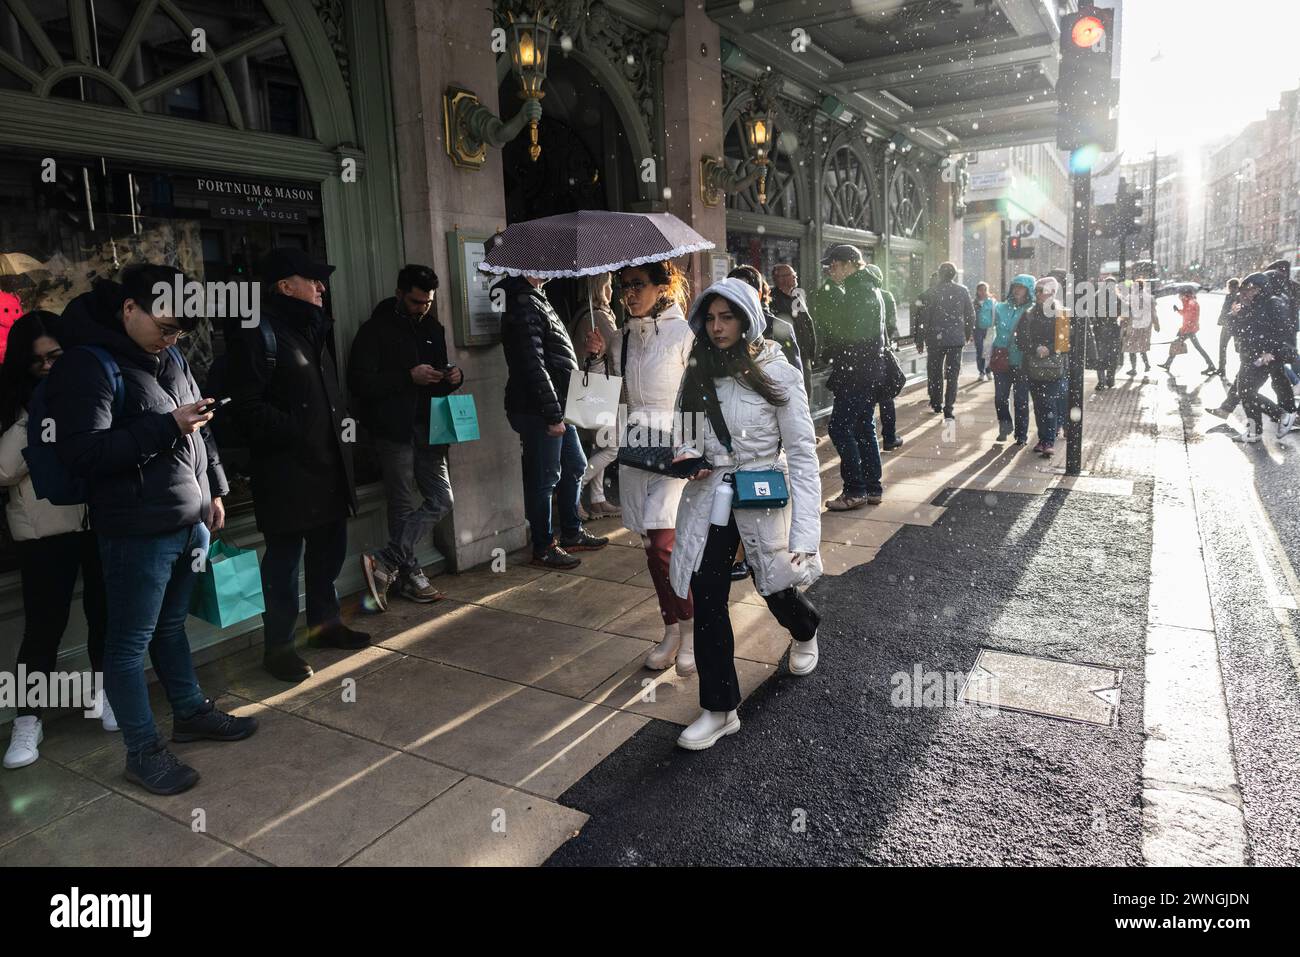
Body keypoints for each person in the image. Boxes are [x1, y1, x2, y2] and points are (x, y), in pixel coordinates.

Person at [44, 264, 255, 795]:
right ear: (129, 309)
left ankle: (188, 713)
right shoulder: (88, 366)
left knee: (169, 627)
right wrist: (166, 426)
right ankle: (143, 752)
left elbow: (200, 428)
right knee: (128, 643)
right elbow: (83, 453)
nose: (173, 336)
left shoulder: (173, 355)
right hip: (135, 529)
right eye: (166, 325)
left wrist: (217, 488)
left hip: (190, 520)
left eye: (181, 329)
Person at [668, 278, 822, 751]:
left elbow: (801, 455)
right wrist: (687, 456)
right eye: (710, 318)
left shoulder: (779, 372)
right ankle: (719, 708)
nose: (717, 328)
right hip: (708, 499)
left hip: (760, 493)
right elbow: (682, 431)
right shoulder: (697, 369)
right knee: (707, 593)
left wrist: (805, 534)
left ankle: (805, 629)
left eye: (727, 317)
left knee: (775, 585)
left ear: (748, 317)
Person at [225, 248, 368, 684]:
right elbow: (246, 407)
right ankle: (279, 648)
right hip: (285, 473)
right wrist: (298, 429)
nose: (322, 287)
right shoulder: (258, 331)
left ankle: (324, 626)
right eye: (313, 279)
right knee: (284, 567)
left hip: (328, 469)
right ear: (285, 286)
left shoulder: (313, 327)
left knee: (328, 556)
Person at [1, 312, 111, 769]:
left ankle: (105, 695)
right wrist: (36, 415)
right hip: (43, 534)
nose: (47, 367)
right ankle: (28, 718)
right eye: (37, 362)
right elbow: (3, 470)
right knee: (44, 628)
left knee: (105, 616)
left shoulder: (87, 394)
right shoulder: (16, 407)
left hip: (96, 522)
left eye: (55, 358)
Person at [350, 263, 462, 611]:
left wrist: (454, 377)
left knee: (442, 499)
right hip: (393, 430)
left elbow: (440, 373)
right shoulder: (373, 331)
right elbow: (360, 385)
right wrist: (406, 377)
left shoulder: (433, 327)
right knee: (400, 505)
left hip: (431, 427)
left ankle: (385, 560)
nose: (422, 308)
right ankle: (410, 573)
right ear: (400, 294)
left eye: (427, 302)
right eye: (416, 302)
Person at [602, 260, 695, 672]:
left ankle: (691, 631)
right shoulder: (624, 335)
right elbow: (606, 400)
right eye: (624, 287)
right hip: (636, 449)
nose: (630, 294)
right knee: (649, 548)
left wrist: (696, 448)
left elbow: (699, 394)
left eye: (638, 285)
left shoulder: (682, 333)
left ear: (663, 286)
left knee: (664, 547)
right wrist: (593, 360)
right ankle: (670, 629)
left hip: (673, 449)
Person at [498, 271, 608, 569]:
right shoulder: (522, 302)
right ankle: (543, 547)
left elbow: (554, 357)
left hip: (557, 402)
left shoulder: (537, 298)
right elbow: (532, 364)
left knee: (576, 465)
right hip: (539, 408)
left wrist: (588, 351)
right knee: (545, 478)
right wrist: (552, 414)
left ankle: (571, 531)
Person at [811, 245, 886, 510]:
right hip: (868, 371)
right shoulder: (870, 288)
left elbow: (845, 334)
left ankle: (855, 490)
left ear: (850, 264)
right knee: (863, 426)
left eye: (834, 265)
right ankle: (872, 487)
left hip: (856, 372)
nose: (831, 271)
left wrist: (829, 301)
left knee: (840, 428)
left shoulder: (856, 292)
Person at [573, 273, 621, 520]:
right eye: (609, 285)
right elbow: (617, 348)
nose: (613, 291)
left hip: (592, 390)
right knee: (612, 447)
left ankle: (598, 498)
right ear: (601, 288)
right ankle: (576, 487)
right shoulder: (598, 317)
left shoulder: (585, 313)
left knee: (600, 443)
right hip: (599, 390)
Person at [1229, 272, 1297, 442]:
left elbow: (1283, 332)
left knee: (1246, 392)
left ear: (1261, 289)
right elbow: (1238, 332)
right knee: (1245, 393)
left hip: (1265, 357)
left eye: (1249, 289)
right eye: (1243, 290)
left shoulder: (1273, 303)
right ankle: (1254, 431)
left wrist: (1271, 351)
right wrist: (1234, 316)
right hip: (1249, 355)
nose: (1245, 293)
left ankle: (1281, 415)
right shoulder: (1249, 306)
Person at [913, 262, 975, 420]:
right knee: (952, 375)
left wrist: (920, 339)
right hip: (955, 339)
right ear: (954, 275)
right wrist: (967, 334)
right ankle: (949, 406)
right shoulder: (962, 291)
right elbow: (970, 315)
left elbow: (923, 319)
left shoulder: (931, 292)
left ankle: (936, 402)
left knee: (935, 372)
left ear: (940, 274)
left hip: (935, 339)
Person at [1017, 275, 1066, 457]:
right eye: (1036, 291)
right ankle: (1043, 438)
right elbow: (1020, 340)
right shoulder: (1029, 314)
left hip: (1053, 366)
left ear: (1052, 293)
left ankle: (1049, 440)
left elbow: (1065, 342)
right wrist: (1036, 348)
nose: (1037, 294)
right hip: (1032, 366)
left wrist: (1049, 349)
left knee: (1049, 402)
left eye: (1041, 291)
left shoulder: (1061, 313)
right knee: (1038, 404)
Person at [728, 265, 802, 375]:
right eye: (733, 292)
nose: (738, 298)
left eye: (744, 292)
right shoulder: (720, 327)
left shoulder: (778, 326)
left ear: (758, 294)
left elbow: (794, 377)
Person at [990, 274, 1035, 445]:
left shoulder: (1032, 309)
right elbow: (988, 327)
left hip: (1022, 360)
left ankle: (1021, 435)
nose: (1017, 290)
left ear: (1028, 290)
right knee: (1000, 397)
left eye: (1021, 287)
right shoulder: (1000, 307)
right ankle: (1005, 425)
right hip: (1001, 358)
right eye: (1015, 286)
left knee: (1021, 400)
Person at [863, 263, 903, 452]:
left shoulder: (858, 296)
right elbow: (892, 325)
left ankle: (869, 438)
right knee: (886, 398)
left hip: (866, 357)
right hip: (882, 353)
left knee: (869, 400)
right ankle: (889, 437)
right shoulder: (885, 296)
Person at [770, 262, 817, 396]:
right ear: (781, 278)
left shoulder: (797, 295)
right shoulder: (772, 299)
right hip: (787, 356)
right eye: (793, 275)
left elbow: (807, 323)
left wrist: (811, 351)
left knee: (806, 393)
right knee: (793, 394)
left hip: (804, 355)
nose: (796, 277)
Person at [1159, 288, 1215, 376]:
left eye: (1179, 295)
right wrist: (1178, 310)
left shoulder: (1190, 303)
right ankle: (1167, 364)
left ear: (1184, 295)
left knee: (1193, 346)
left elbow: (1190, 317)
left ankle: (1211, 365)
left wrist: (1184, 331)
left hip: (1189, 329)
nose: (1179, 297)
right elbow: (1186, 313)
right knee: (1178, 344)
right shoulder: (1189, 301)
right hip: (1188, 328)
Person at [1089, 278, 1123, 391]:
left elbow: (1091, 312)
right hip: (1113, 330)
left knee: (1100, 357)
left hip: (1100, 330)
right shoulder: (1117, 298)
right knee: (1113, 357)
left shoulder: (1097, 297)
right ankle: (1110, 379)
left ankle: (1101, 381)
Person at [1120, 279, 1159, 375]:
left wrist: (1123, 325)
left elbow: (1125, 314)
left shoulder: (1130, 298)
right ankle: (1146, 364)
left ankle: (1134, 369)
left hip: (1133, 325)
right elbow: (1153, 312)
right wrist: (1156, 324)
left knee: (1131, 348)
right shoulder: (1150, 298)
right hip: (1145, 326)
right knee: (1142, 345)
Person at [1215, 278, 1241, 377]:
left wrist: (1224, 319)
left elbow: (1227, 310)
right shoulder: (1231, 296)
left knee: (1224, 347)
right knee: (1237, 348)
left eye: (1229, 286)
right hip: (1232, 325)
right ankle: (1222, 368)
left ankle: (1222, 368)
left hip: (1231, 325)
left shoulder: (1238, 297)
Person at [973, 282, 996, 382]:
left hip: (989, 329)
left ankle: (988, 371)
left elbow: (995, 315)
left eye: (984, 290)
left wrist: (995, 326)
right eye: (980, 290)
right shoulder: (974, 303)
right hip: (977, 329)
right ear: (977, 291)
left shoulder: (991, 302)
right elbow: (971, 317)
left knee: (988, 351)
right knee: (979, 350)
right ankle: (981, 372)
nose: (982, 292)